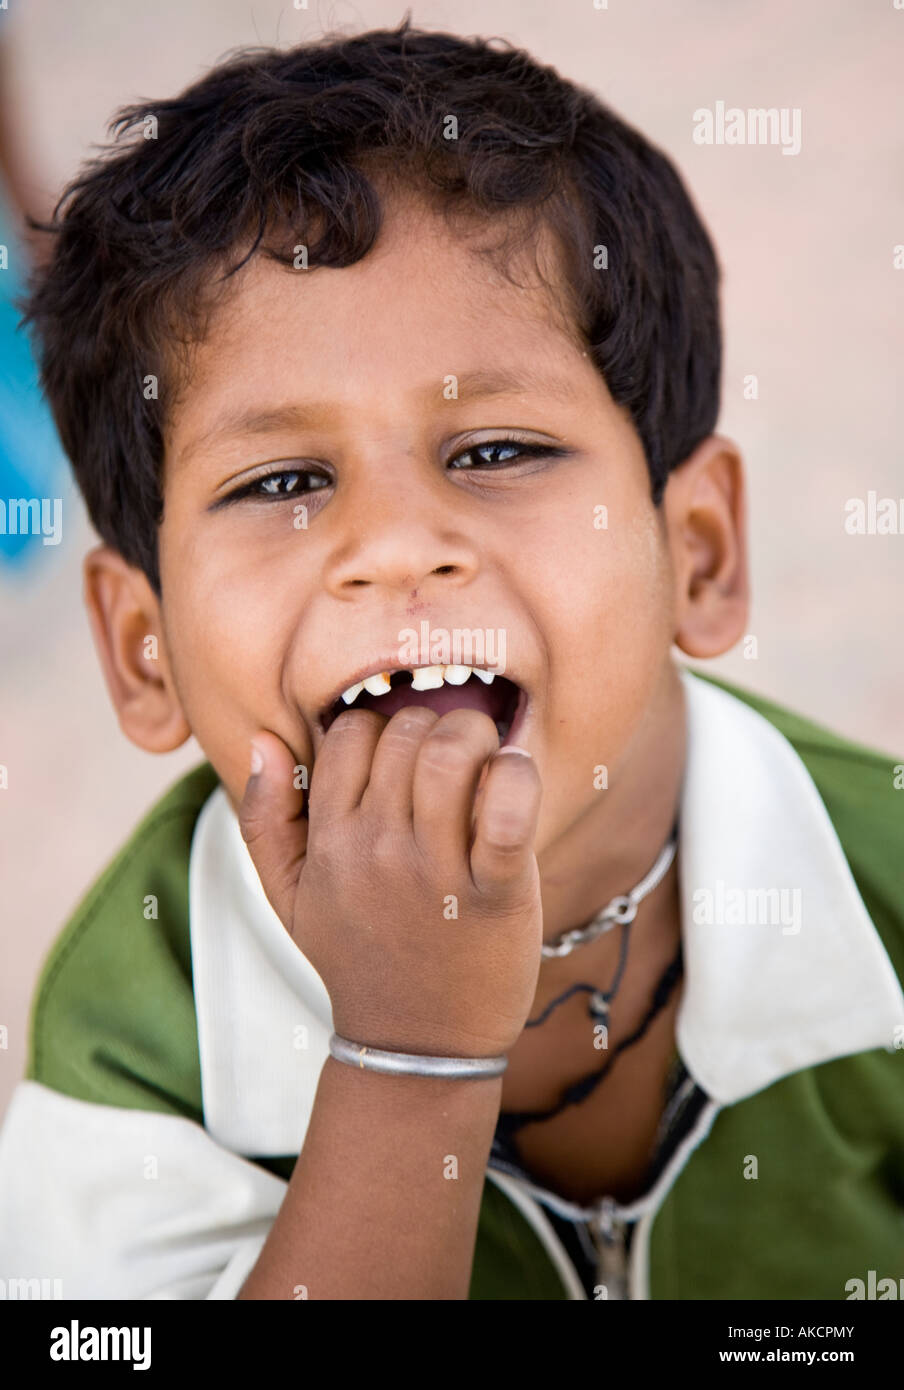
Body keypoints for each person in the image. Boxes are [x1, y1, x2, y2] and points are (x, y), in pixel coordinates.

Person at [0, 18, 901, 1301]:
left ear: (694, 556)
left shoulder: (883, 892)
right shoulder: (135, 1047)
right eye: (283, 478)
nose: (393, 546)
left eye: (494, 450)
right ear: (143, 652)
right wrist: (406, 1060)